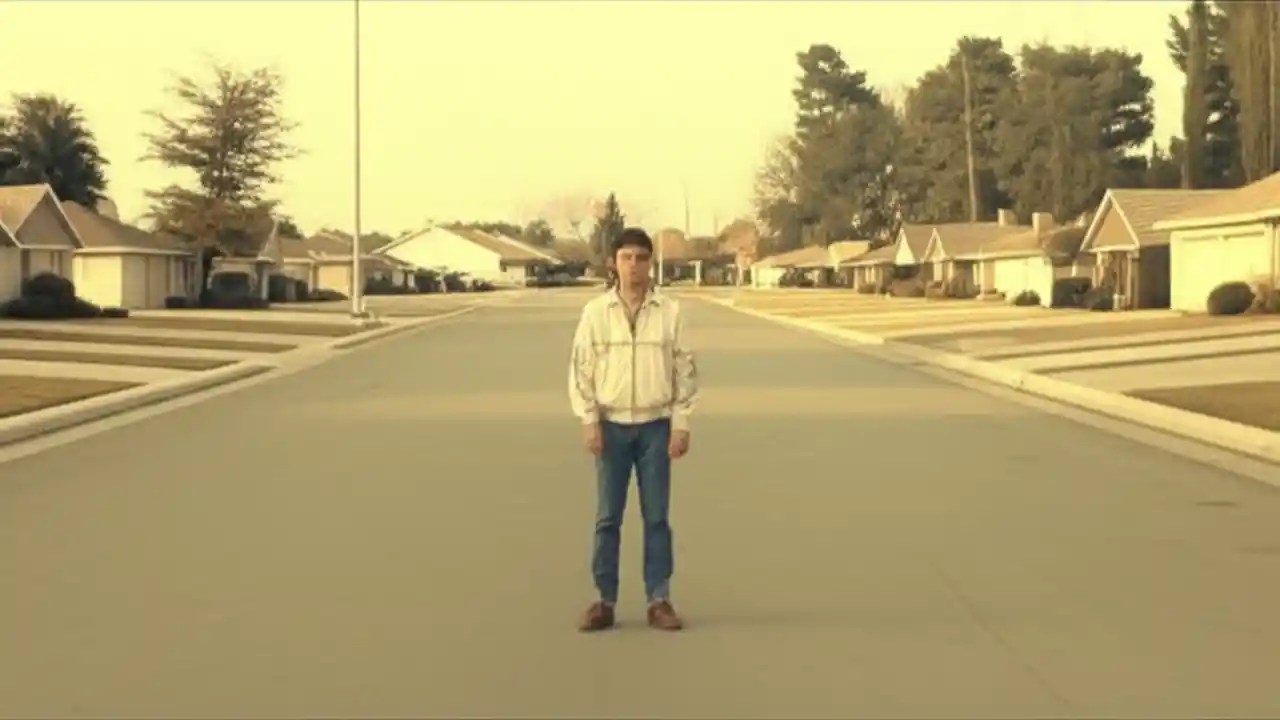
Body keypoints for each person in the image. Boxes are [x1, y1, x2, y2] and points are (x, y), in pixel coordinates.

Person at [568, 227, 698, 632]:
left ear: (650, 262)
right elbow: (581, 370)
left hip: (655, 427)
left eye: (642, 257)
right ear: (614, 263)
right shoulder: (595, 313)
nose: (634, 266)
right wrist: (589, 419)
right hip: (612, 428)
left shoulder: (670, 312)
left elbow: (685, 371)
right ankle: (603, 601)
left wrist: (681, 423)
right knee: (608, 517)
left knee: (656, 517)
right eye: (626, 257)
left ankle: (658, 599)